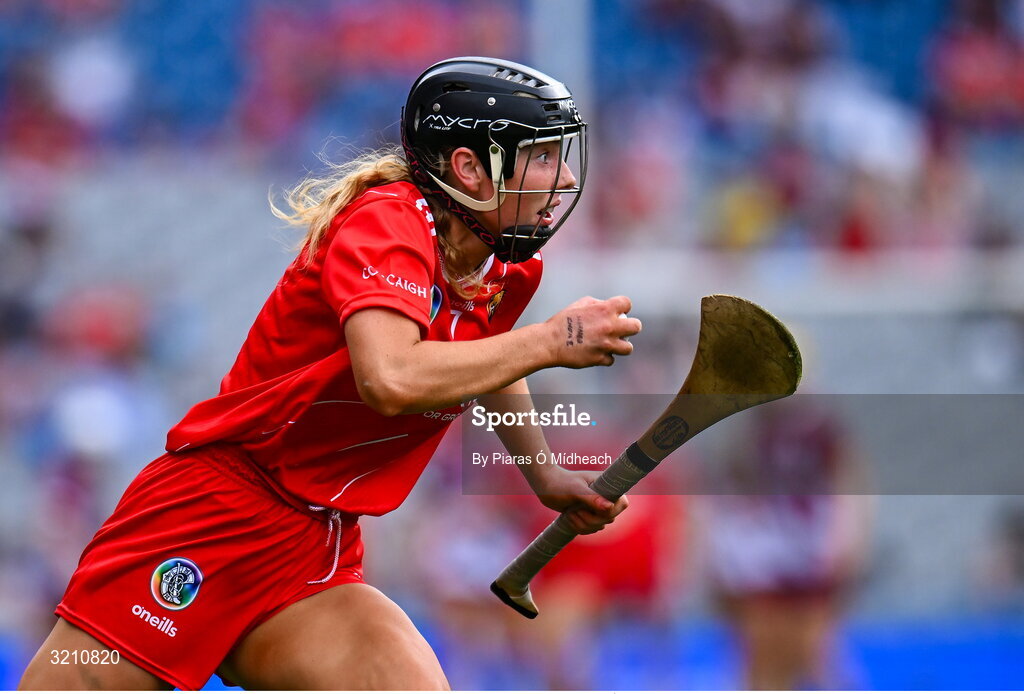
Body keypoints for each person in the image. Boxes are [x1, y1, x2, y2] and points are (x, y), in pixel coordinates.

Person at [18, 56, 640, 690]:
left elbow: (490, 355)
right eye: (540, 157)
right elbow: (391, 377)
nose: (563, 176)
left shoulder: (504, 264)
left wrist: (543, 474)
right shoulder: (387, 223)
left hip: (316, 543)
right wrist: (550, 340)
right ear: (469, 168)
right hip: (213, 513)